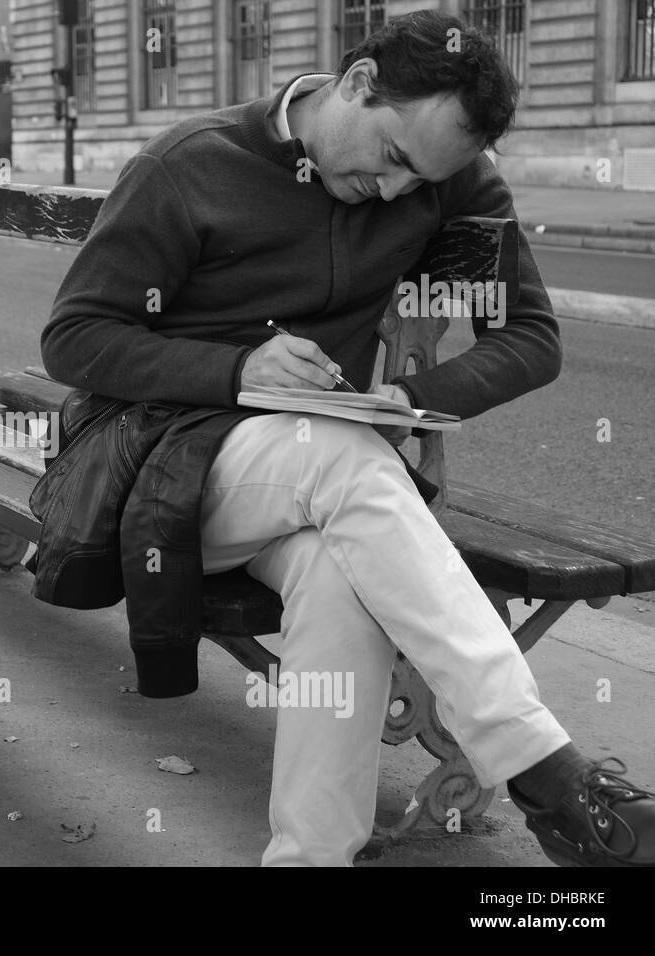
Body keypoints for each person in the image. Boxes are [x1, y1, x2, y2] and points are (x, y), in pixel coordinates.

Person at [37, 9, 655, 867]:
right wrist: (237, 371)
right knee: (345, 461)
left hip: (315, 481)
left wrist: (408, 395)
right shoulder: (190, 164)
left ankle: (311, 858)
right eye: (395, 159)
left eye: (422, 180)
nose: (400, 193)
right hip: (152, 466)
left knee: (339, 576)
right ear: (358, 83)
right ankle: (547, 772)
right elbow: (74, 338)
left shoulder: (448, 180)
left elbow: (528, 338)